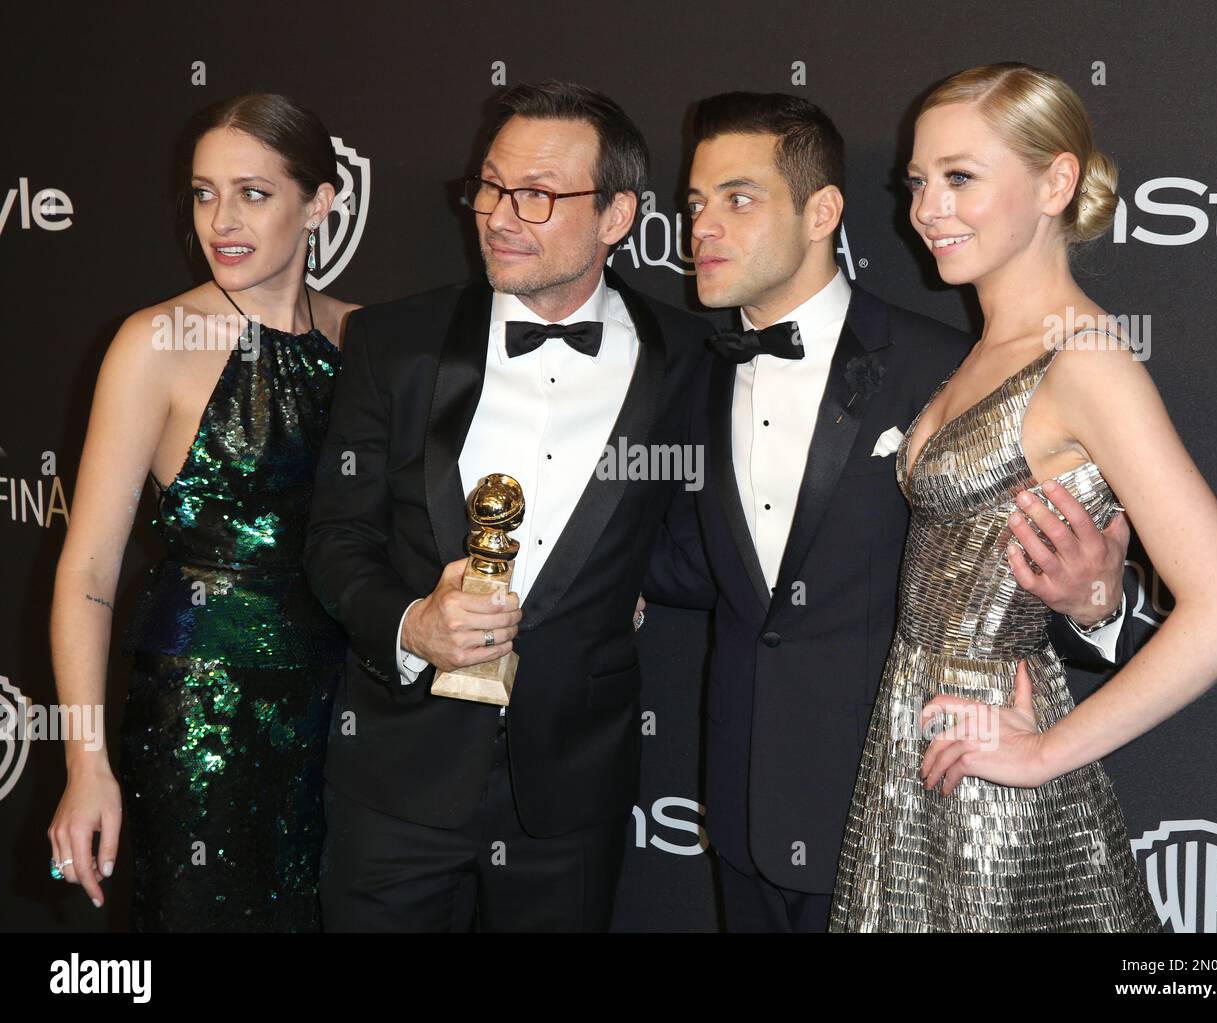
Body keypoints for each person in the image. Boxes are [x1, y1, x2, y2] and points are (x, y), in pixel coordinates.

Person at [642, 91, 1142, 933]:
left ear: (822, 212)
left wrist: (1096, 605)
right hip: (739, 811)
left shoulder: (952, 371)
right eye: (694, 203)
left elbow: (1000, 589)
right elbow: (690, 560)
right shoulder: (691, 374)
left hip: (906, 807)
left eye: (738, 198)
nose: (703, 228)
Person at [829, 63, 1217, 931]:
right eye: (918, 182)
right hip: (916, 741)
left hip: (988, 765)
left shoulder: (1085, 359)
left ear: (1055, 181)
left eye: (960, 177)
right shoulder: (987, 347)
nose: (926, 209)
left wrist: (1041, 756)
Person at [303, 81, 712, 932]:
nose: (496, 215)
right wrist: (412, 624)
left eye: (536, 195)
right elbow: (336, 539)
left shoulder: (688, 358)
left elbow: (702, 532)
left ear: (616, 216)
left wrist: (624, 586)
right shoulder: (394, 342)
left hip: (572, 790)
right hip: (395, 783)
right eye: (489, 186)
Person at [46, 93, 356, 931]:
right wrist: (85, 761)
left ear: (320, 202)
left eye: (253, 193)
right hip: (202, 716)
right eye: (203, 192)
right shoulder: (157, 341)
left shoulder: (365, 340)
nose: (221, 219)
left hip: (344, 714)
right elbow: (89, 570)